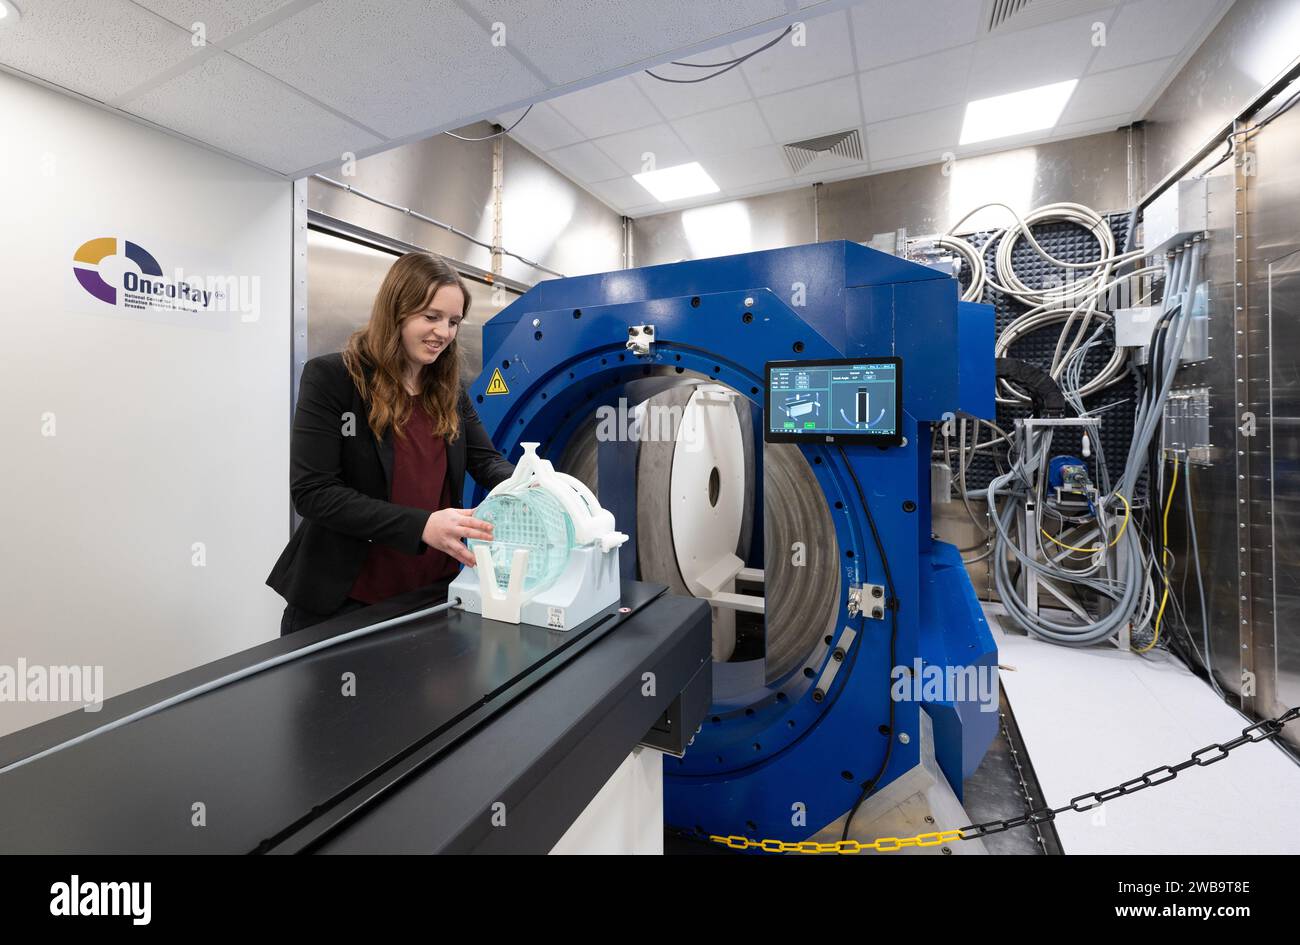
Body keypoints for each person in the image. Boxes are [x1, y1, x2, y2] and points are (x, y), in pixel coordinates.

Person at [267, 252, 514, 635]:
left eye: (453, 322)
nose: (443, 333)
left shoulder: (450, 391)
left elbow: (487, 462)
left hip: (432, 591)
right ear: (396, 310)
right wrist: (422, 525)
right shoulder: (333, 379)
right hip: (346, 602)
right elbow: (313, 492)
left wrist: (536, 486)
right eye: (430, 317)